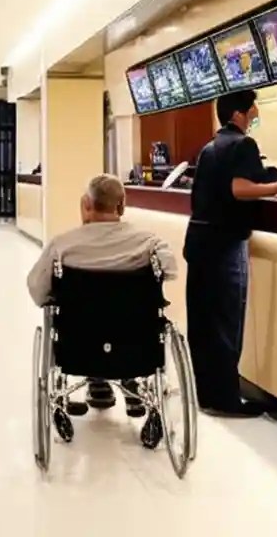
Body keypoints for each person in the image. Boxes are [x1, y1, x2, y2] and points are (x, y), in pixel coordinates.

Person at [184, 90, 277, 417]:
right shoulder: (242, 145)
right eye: (253, 113)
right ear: (238, 114)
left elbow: (246, 179)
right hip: (224, 244)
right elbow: (240, 189)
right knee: (226, 322)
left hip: (200, 241)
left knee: (204, 323)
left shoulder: (210, 147)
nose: (254, 119)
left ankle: (206, 393)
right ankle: (225, 400)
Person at [27, 173, 178, 416]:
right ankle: (128, 378)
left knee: (88, 322)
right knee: (127, 321)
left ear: (86, 204)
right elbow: (169, 271)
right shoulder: (150, 243)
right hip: (136, 342)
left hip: (78, 346)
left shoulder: (62, 246)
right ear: (122, 205)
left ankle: (97, 377)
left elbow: (37, 291)